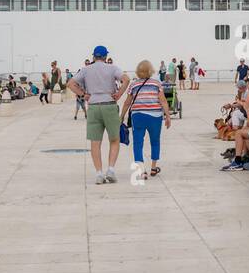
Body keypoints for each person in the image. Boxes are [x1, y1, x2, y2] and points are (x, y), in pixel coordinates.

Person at [70, 45, 129, 184]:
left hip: (94, 106)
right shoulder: (112, 68)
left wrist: (83, 95)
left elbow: (71, 83)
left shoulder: (85, 69)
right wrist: (119, 94)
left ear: (93, 56)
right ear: (105, 57)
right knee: (114, 139)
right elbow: (126, 79)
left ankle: (98, 173)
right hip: (109, 104)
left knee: (95, 142)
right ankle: (111, 170)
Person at [120, 60, 173, 179]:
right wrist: (168, 116)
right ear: (151, 71)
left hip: (138, 116)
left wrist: (122, 116)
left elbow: (127, 102)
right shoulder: (156, 83)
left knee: (138, 143)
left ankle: (142, 171)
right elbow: (163, 100)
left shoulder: (133, 85)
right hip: (155, 117)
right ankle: (153, 168)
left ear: (138, 72)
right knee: (155, 141)